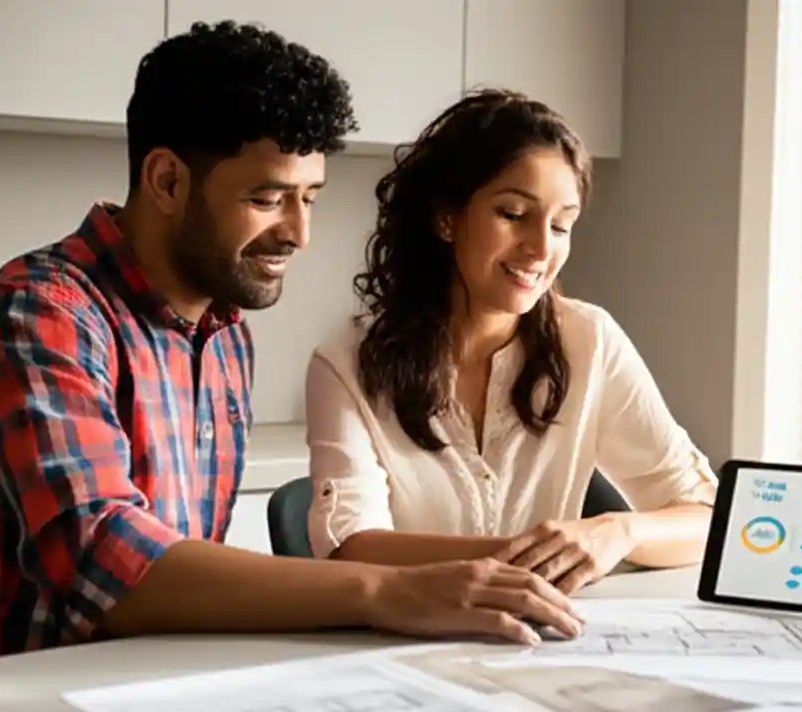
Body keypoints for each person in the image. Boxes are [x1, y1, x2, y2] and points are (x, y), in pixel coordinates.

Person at [0, 22, 583, 666]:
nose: (298, 233)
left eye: (310, 199)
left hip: (153, 686)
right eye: (268, 199)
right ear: (168, 182)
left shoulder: (225, 335)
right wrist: (389, 590)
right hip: (16, 694)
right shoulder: (39, 316)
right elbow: (107, 561)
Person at [305, 89, 719, 595]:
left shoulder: (590, 340)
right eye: (513, 214)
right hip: (401, 649)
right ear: (447, 217)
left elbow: (705, 517)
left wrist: (616, 530)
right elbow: (350, 546)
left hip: (544, 645)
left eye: (562, 224)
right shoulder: (346, 362)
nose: (542, 248)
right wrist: (537, 556)